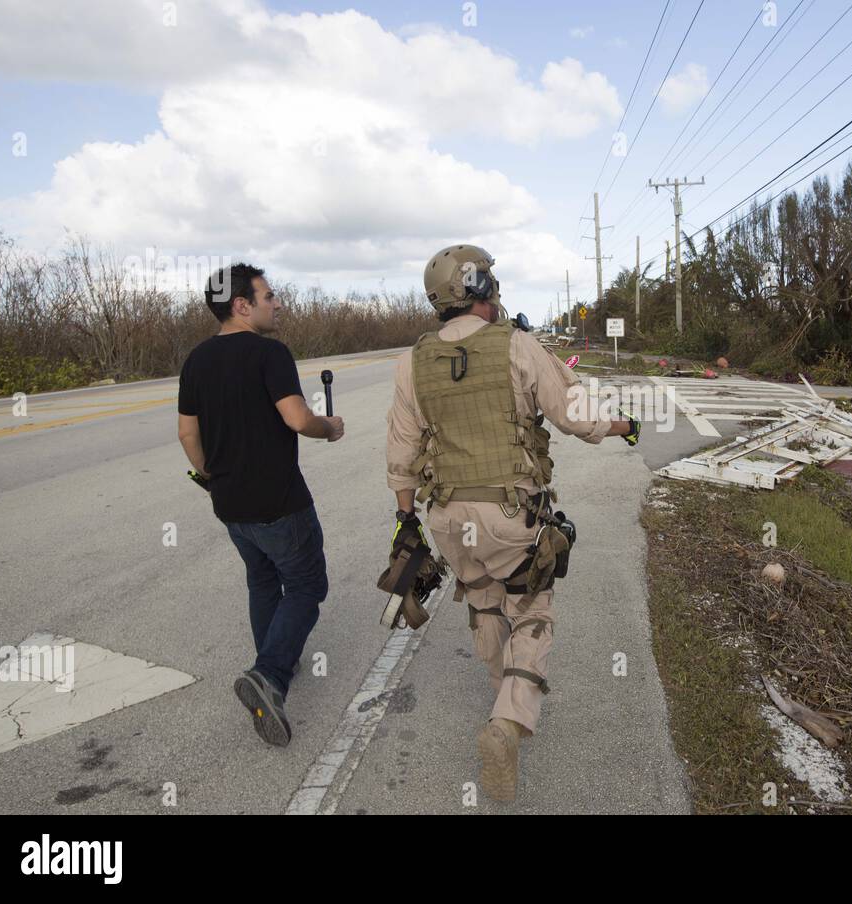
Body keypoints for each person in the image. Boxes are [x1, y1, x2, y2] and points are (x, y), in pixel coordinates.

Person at [385, 245, 638, 801]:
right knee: (532, 610)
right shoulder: (518, 346)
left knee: (481, 602)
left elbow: (401, 451)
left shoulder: (413, 360)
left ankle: (502, 689)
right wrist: (627, 427)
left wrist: (405, 520)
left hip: (448, 517)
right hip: (509, 515)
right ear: (478, 287)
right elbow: (577, 417)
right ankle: (507, 722)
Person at [177, 263, 344, 747]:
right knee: (308, 584)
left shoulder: (196, 361)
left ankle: (271, 656)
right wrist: (328, 427)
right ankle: (270, 675)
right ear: (242, 305)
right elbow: (296, 418)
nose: (277, 304)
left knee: (262, 577)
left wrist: (212, 474)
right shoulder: (270, 353)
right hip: (279, 501)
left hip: (230, 505)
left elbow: (188, 433)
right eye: (269, 296)